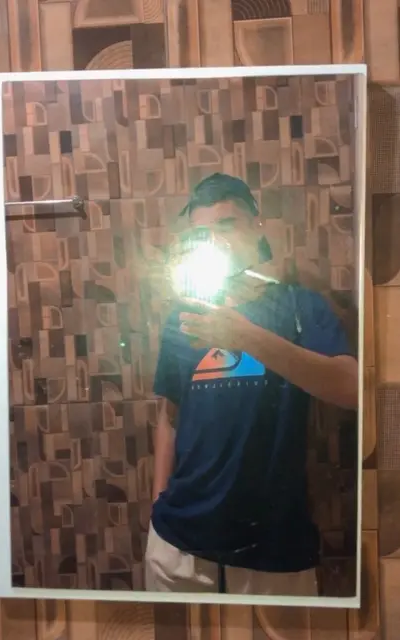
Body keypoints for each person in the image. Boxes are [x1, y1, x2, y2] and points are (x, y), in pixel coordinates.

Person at [145, 173, 358, 595]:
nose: (217, 240)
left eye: (227, 224)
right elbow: (169, 415)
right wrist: (157, 503)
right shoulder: (185, 316)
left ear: (257, 227)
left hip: (275, 552)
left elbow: (351, 388)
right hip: (176, 546)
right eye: (204, 232)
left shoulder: (300, 306)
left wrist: (244, 336)